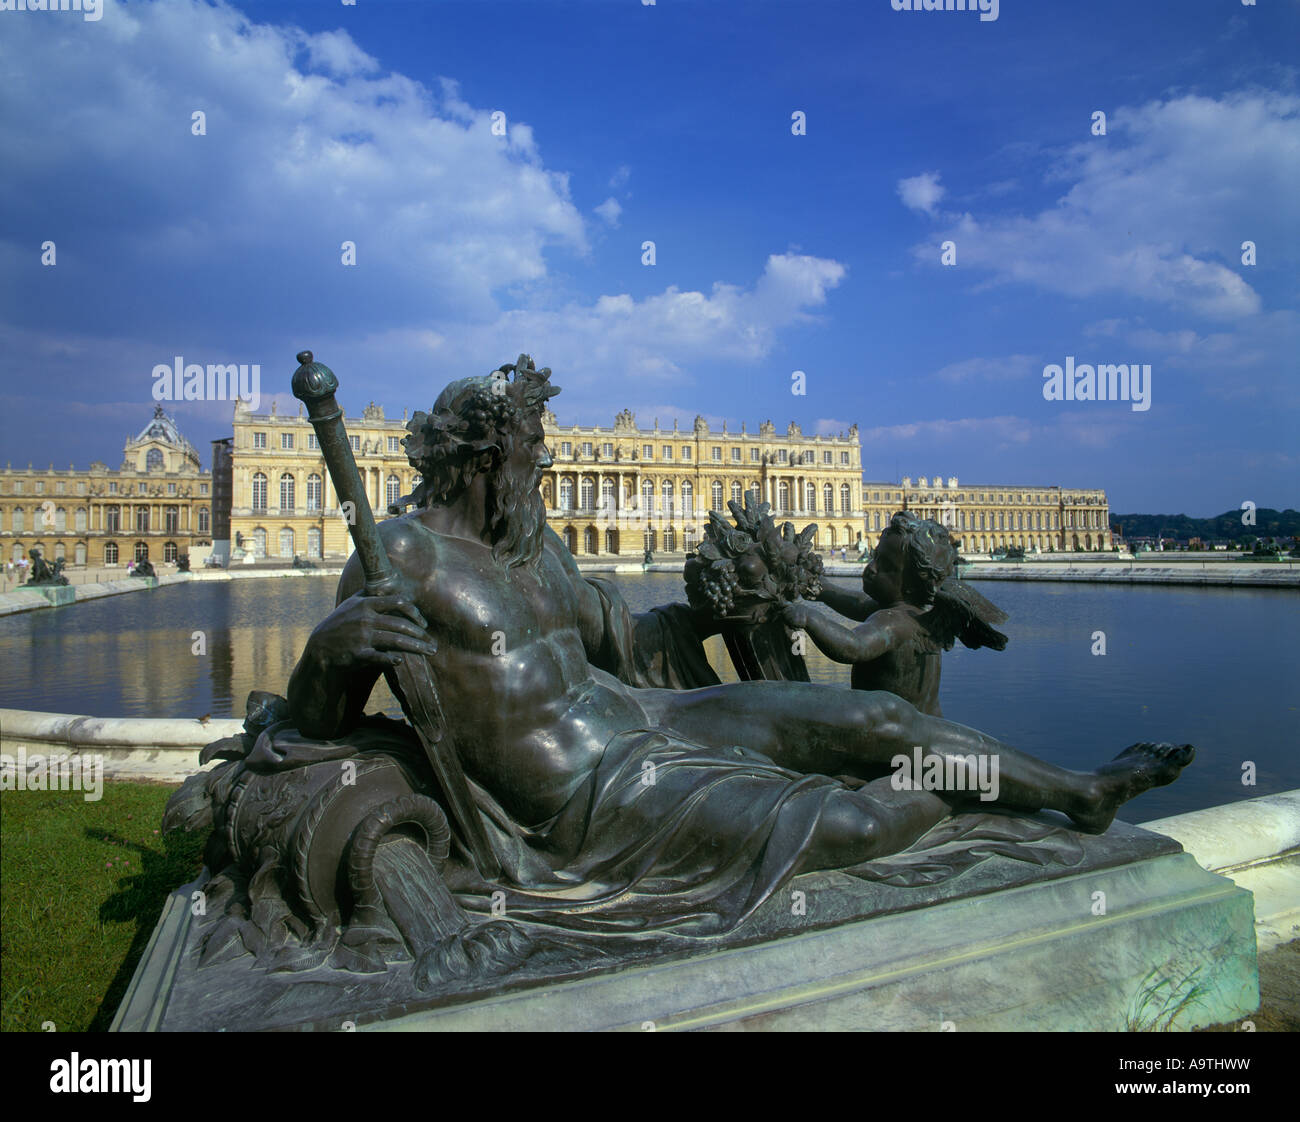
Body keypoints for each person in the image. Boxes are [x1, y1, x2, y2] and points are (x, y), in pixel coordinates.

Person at [286, 360, 1192, 932]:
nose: (548, 466)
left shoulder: (538, 547)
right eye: (531, 452)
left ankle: (1080, 792)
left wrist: (728, 605)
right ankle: (951, 794)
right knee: (852, 821)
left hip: (651, 715)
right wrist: (331, 653)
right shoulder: (399, 555)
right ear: (485, 458)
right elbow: (317, 726)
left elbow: (628, 642)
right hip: (588, 791)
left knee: (871, 712)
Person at [783, 512, 1007, 717]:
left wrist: (809, 618)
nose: (871, 568)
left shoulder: (895, 622)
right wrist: (822, 589)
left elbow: (853, 647)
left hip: (893, 729)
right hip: (924, 723)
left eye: (886, 565)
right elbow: (858, 604)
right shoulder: (913, 611)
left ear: (912, 583)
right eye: (875, 557)